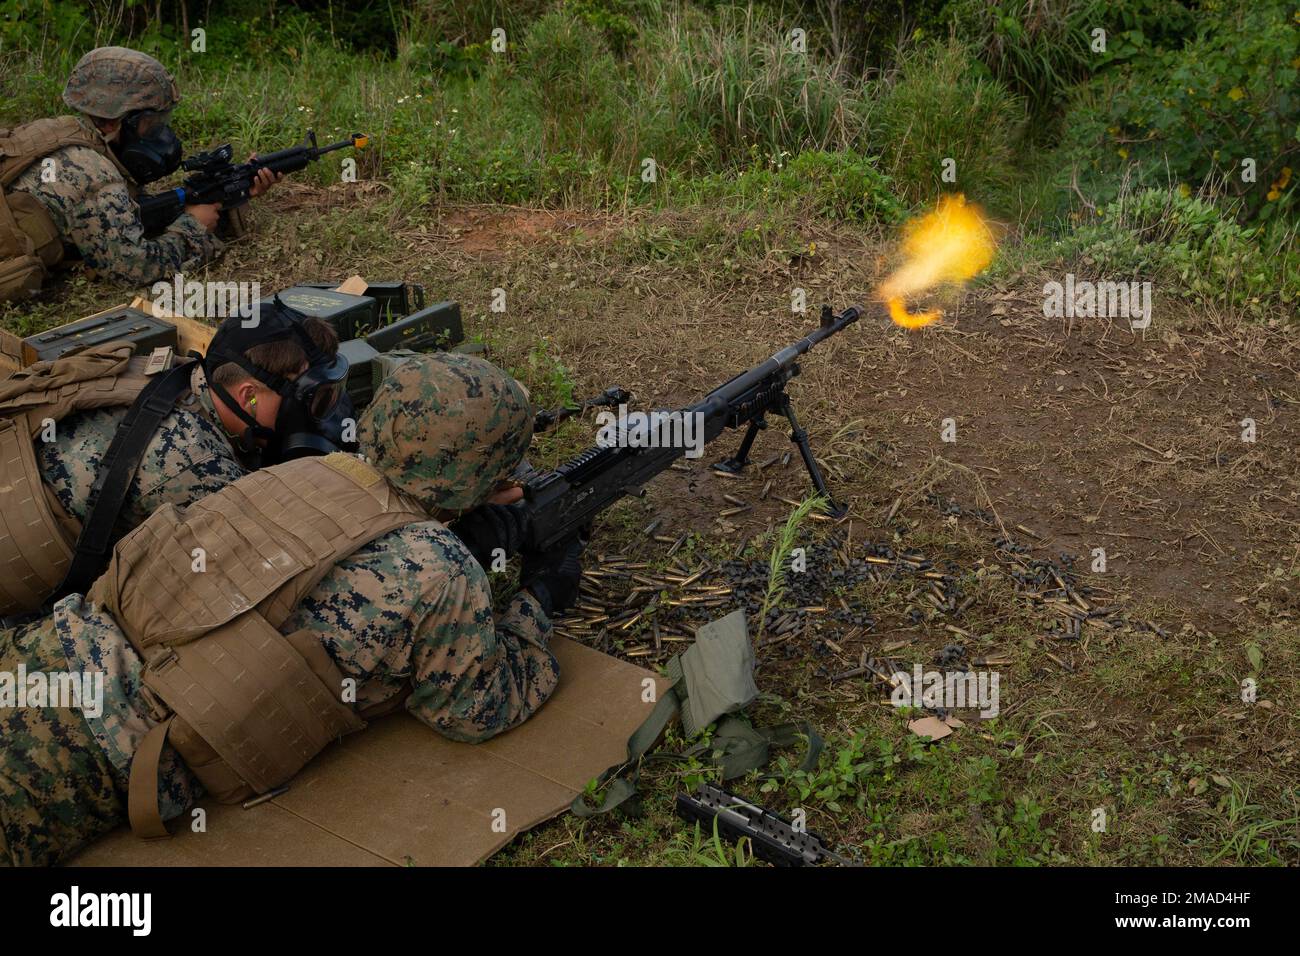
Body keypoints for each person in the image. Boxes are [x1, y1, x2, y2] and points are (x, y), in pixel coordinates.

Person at [0, 352, 584, 866]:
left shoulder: (302, 471)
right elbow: (477, 710)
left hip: (43, 648)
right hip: (89, 753)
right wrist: (538, 601)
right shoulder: (443, 571)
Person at [0, 299, 345, 620]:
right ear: (249, 397)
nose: (318, 414)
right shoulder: (195, 463)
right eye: (312, 398)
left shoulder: (174, 373)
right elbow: (266, 567)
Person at [0, 46, 279, 301]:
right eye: (151, 123)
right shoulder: (94, 177)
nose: (160, 133)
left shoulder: (62, 131)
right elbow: (133, 268)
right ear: (113, 122)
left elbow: (132, 214)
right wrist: (192, 228)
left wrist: (231, 191)